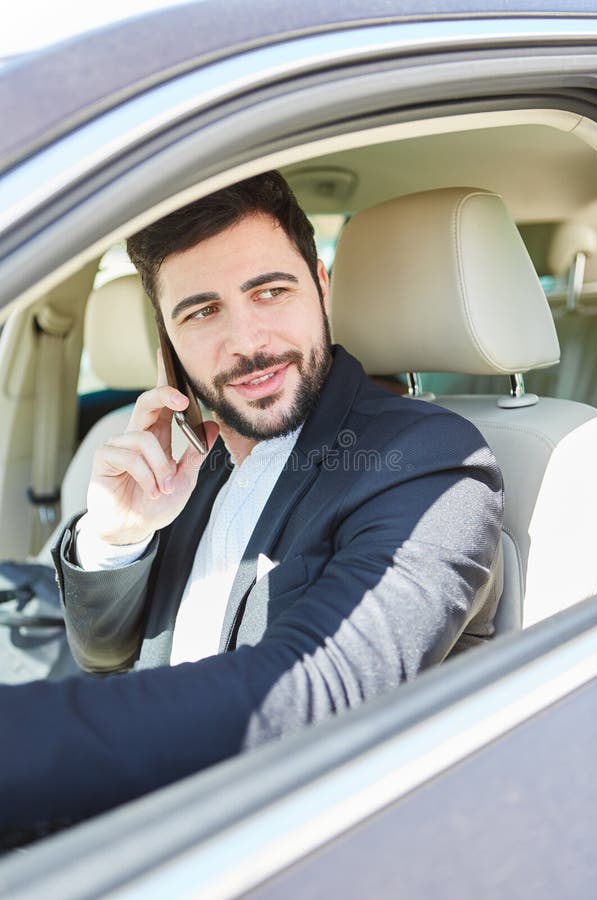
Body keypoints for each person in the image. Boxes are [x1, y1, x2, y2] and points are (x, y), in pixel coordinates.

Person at [1, 172, 502, 841]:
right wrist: (116, 538)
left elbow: (309, 691)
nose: (247, 342)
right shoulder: (183, 458)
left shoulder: (428, 461)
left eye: (270, 291)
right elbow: (105, 658)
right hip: (137, 822)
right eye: (202, 312)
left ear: (321, 288)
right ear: (168, 345)